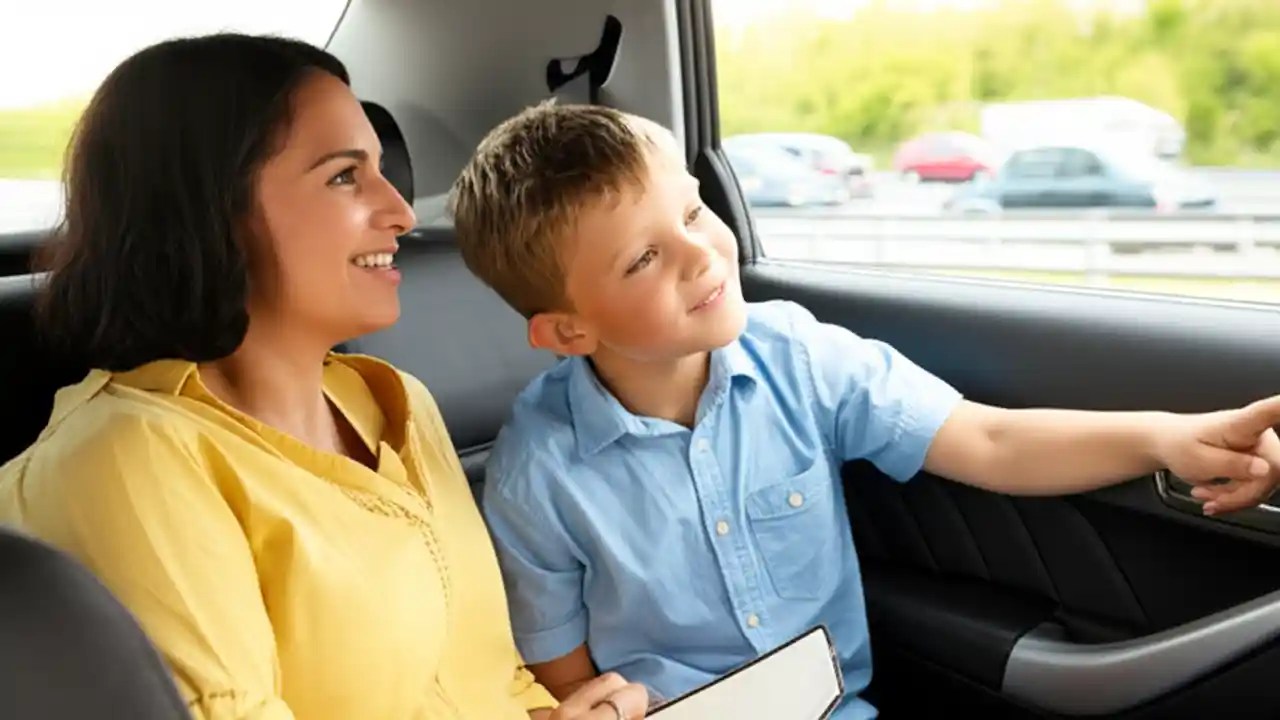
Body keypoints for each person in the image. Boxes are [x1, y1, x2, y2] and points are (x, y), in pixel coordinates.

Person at [448, 100, 1280, 718]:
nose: (703, 253)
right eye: (645, 258)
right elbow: (565, 672)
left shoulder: (797, 358)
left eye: (695, 210)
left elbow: (989, 440)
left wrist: (1165, 436)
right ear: (568, 330)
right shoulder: (538, 468)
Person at [0, 34, 650, 720]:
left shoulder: (395, 403)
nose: (401, 212)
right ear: (211, 211)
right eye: (345, 176)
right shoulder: (122, 463)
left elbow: (488, 678)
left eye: (379, 168)